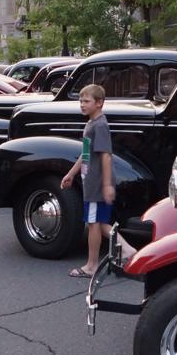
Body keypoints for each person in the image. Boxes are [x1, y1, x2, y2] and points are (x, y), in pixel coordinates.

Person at [61, 84, 114, 278]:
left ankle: (92, 265)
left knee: (93, 223)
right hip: (90, 181)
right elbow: (85, 154)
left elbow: (106, 156)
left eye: (86, 101)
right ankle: (127, 250)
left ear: (99, 103)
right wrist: (71, 174)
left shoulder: (99, 125)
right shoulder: (92, 123)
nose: (82, 105)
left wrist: (106, 185)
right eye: (80, 101)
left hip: (96, 183)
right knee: (99, 222)